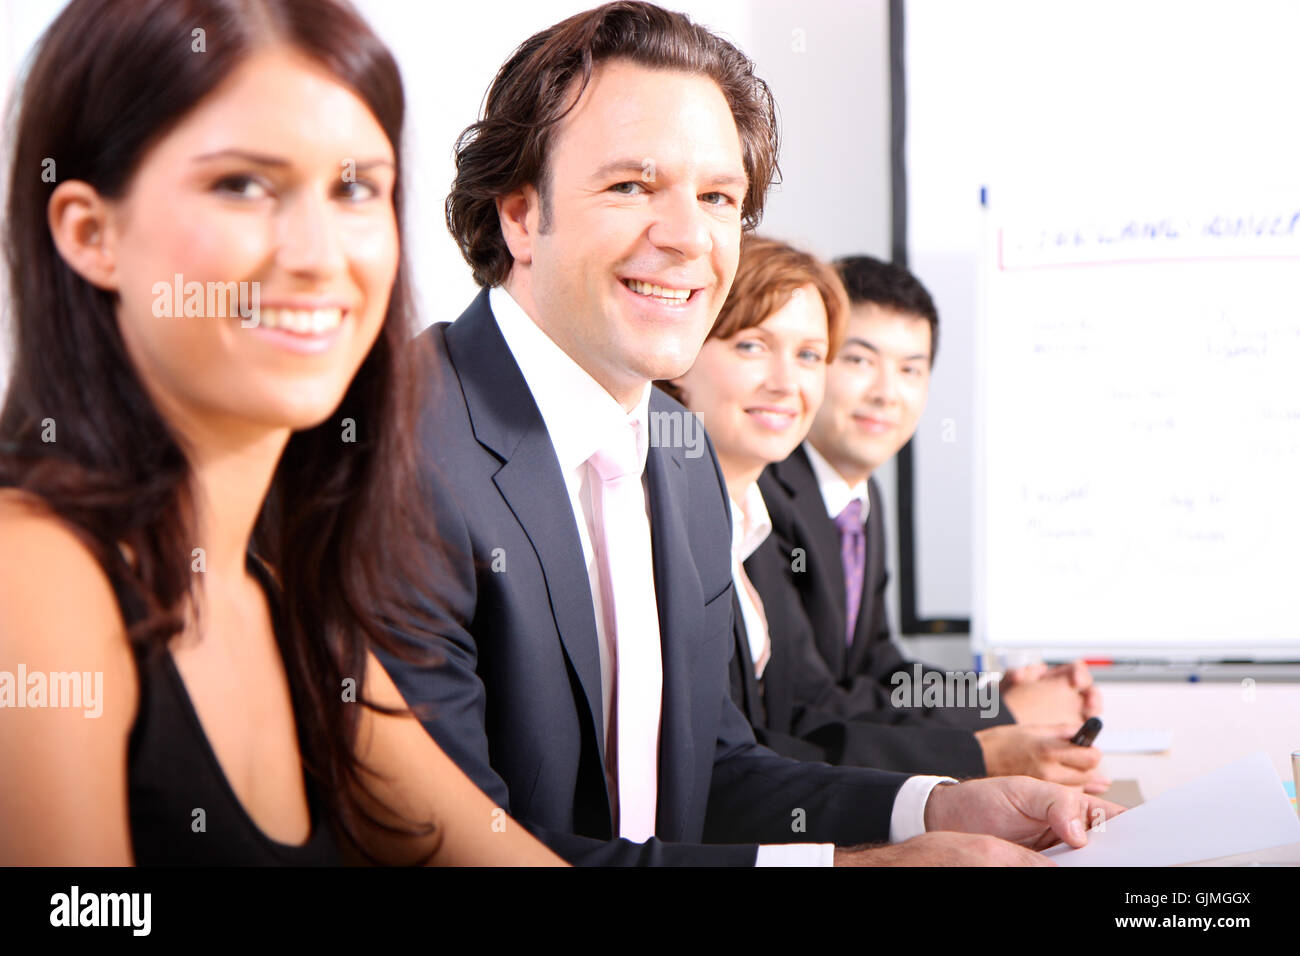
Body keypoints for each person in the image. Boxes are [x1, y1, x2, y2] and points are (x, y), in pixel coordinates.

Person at [379, 0, 1121, 866]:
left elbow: (711, 778)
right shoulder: (398, 454)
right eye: (631, 185)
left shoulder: (680, 458)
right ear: (518, 215)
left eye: (719, 197)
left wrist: (939, 807)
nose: (689, 237)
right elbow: (456, 851)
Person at [0, 0, 563, 867]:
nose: (317, 253)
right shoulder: (34, 574)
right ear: (89, 232)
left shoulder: (290, 598)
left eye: (355, 189)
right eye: (241, 185)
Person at [664, 235, 1107, 789]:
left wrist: (991, 696)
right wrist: (991, 734)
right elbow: (807, 711)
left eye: (910, 370)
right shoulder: (759, 499)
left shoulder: (854, 498)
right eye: (858, 360)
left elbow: (879, 665)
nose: (886, 393)